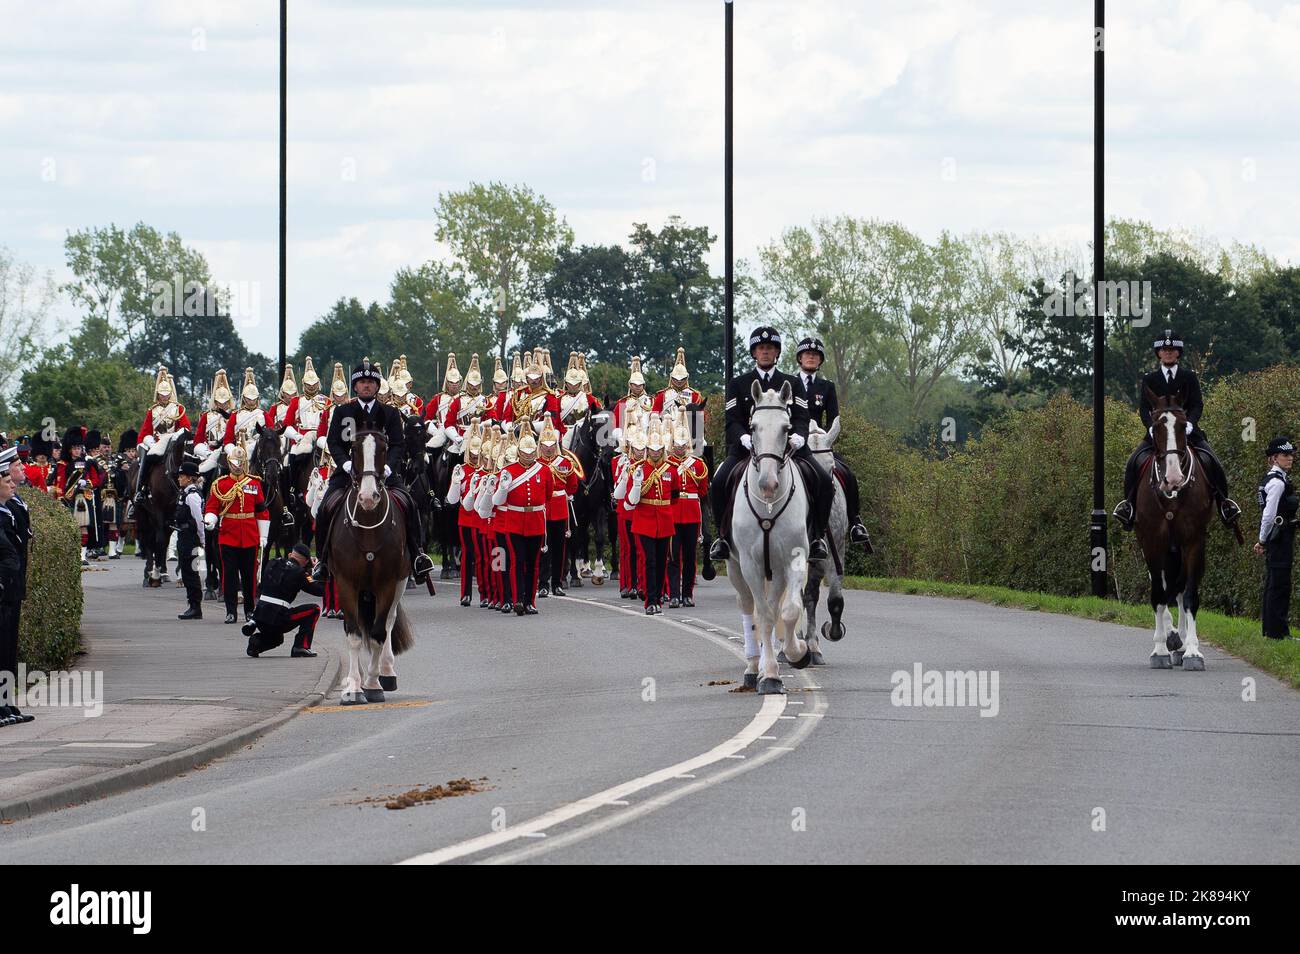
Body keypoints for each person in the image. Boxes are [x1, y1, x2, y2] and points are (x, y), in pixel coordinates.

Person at [708, 326, 832, 562]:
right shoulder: (738, 383)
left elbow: (801, 417)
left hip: (789, 449)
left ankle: (817, 537)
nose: (766, 352)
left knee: (824, 481)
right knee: (719, 482)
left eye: (770, 348)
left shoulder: (792, 383)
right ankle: (722, 537)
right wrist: (743, 437)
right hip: (747, 450)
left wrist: (800, 436)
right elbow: (732, 420)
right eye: (761, 348)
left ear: (777, 353)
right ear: (754, 352)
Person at [312, 358, 435, 584]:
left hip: (383, 472)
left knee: (409, 503)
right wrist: (345, 464)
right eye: (362, 382)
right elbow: (334, 442)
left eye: (371, 382)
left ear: (378, 386)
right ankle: (322, 560)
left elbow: (398, 444)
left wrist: (389, 467)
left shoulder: (389, 413)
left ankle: (418, 555)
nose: (366, 386)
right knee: (325, 508)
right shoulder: (343, 411)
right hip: (349, 472)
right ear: (355, 387)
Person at [1114, 329, 1241, 530]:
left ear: (1178, 353)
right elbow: (1144, 409)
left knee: (1212, 460)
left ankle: (1225, 504)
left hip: (1186, 432)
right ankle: (1128, 506)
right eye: (1164, 350)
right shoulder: (1150, 379)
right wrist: (1151, 428)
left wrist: (1190, 423)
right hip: (1159, 434)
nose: (1168, 353)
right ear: (1158, 353)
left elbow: (1197, 404)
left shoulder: (1189, 377)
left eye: (1172, 350)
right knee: (1133, 462)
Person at [793, 336, 871, 546]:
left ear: (820, 361)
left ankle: (855, 523)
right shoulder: (788, 383)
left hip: (820, 443)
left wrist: (823, 438)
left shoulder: (827, 387)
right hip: (794, 444)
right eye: (808, 354)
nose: (811, 358)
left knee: (848, 473)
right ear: (800, 358)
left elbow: (834, 418)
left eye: (816, 355)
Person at [204, 444, 269, 624]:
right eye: (234, 462)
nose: (237, 466)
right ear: (229, 463)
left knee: (249, 576)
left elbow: (261, 510)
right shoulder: (221, 484)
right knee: (229, 575)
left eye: (240, 462)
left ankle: (250, 611)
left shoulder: (254, 483)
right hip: (229, 535)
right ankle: (230, 611)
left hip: (249, 535)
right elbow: (212, 506)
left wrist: (263, 534)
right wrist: (211, 518)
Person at [492, 429, 552, 615]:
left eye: (531, 452)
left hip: (535, 521)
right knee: (517, 561)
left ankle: (529, 601)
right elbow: (499, 499)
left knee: (533, 563)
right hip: (515, 521)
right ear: (518, 452)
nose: (528, 456)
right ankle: (517, 599)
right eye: (525, 452)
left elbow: (547, 496)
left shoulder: (544, 470)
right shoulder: (508, 471)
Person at [623, 417, 676, 615]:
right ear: (647, 449)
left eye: (658, 450)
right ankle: (650, 601)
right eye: (652, 450)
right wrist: (637, 484)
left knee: (662, 561)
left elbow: (675, 496)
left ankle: (658, 599)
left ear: (662, 450)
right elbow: (630, 500)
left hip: (664, 520)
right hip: (644, 520)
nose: (655, 453)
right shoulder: (638, 469)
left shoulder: (670, 470)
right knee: (650, 561)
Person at [243, 544, 324, 658]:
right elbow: (319, 590)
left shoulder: (272, 563)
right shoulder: (300, 573)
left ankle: (256, 643)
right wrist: (319, 575)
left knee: (277, 638)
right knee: (314, 609)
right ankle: (301, 646)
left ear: (290, 554)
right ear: (306, 562)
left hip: (259, 616)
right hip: (278, 618)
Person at [0, 462, 33, 726]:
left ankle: (6, 702)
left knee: (8, 650)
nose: (12, 483)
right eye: (7, 479)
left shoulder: (12, 506)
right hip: (5, 588)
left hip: (12, 587)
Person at [1255, 436, 1297, 640]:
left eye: (1291, 455)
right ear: (1274, 458)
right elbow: (1269, 515)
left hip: (1276, 537)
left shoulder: (1271, 480)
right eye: (1285, 455)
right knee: (1279, 584)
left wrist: (1263, 539)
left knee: (1274, 582)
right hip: (1280, 537)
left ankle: (1272, 630)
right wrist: (1262, 540)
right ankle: (1277, 633)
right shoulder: (1277, 483)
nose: (1290, 458)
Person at [666, 412, 708, 608]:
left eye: (683, 444)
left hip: (691, 514)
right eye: (677, 444)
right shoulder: (667, 465)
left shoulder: (698, 465)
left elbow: (702, 490)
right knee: (673, 557)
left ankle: (688, 594)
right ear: (672, 444)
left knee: (690, 557)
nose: (680, 448)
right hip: (673, 514)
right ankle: (674, 594)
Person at [133, 366, 192, 506]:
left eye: (167, 394)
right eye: (162, 394)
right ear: (158, 394)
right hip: (158, 443)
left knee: (190, 460)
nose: (164, 397)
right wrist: (150, 441)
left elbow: (185, 426)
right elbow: (145, 432)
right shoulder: (152, 411)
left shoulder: (177, 408)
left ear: (170, 393)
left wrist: (177, 435)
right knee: (147, 460)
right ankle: (142, 489)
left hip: (173, 441)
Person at [537, 415, 579, 598]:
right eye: (545, 446)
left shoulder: (564, 462)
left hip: (560, 507)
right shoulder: (537, 464)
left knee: (559, 547)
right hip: (543, 508)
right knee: (543, 547)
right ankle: (543, 584)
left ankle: (557, 582)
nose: (548, 450)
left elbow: (573, 485)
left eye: (551, 446)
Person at [446, 422, 484, 607]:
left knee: (485, 556)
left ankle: (486, 593)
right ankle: (466, 593)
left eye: (479, 453)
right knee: (468, 555)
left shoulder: (488, 470)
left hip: (485, 520)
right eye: (473, 453)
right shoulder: (462, 469)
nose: (476, 457)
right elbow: (452, 500)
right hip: (467, 519)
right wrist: (455, 481)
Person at [174, 461, 206, 620]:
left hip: (190, 537)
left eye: (182, 476)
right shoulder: (185, 492)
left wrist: (202, 539)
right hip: (183, 536)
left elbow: (199, 520)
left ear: (189, 478)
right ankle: (192, 604)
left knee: (191, 572)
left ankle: (195, 606)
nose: (179, 479)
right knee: (186, 571)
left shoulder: (192, 495)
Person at [193, 369, 234, 475]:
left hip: (229, 452)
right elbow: (198, 440)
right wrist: (206, 453)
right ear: (215, 401)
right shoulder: (206, 416)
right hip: (210, 451)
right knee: (202, 476)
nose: (222, 405)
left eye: (225, 402)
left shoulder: (234, 416)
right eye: (219, 402)